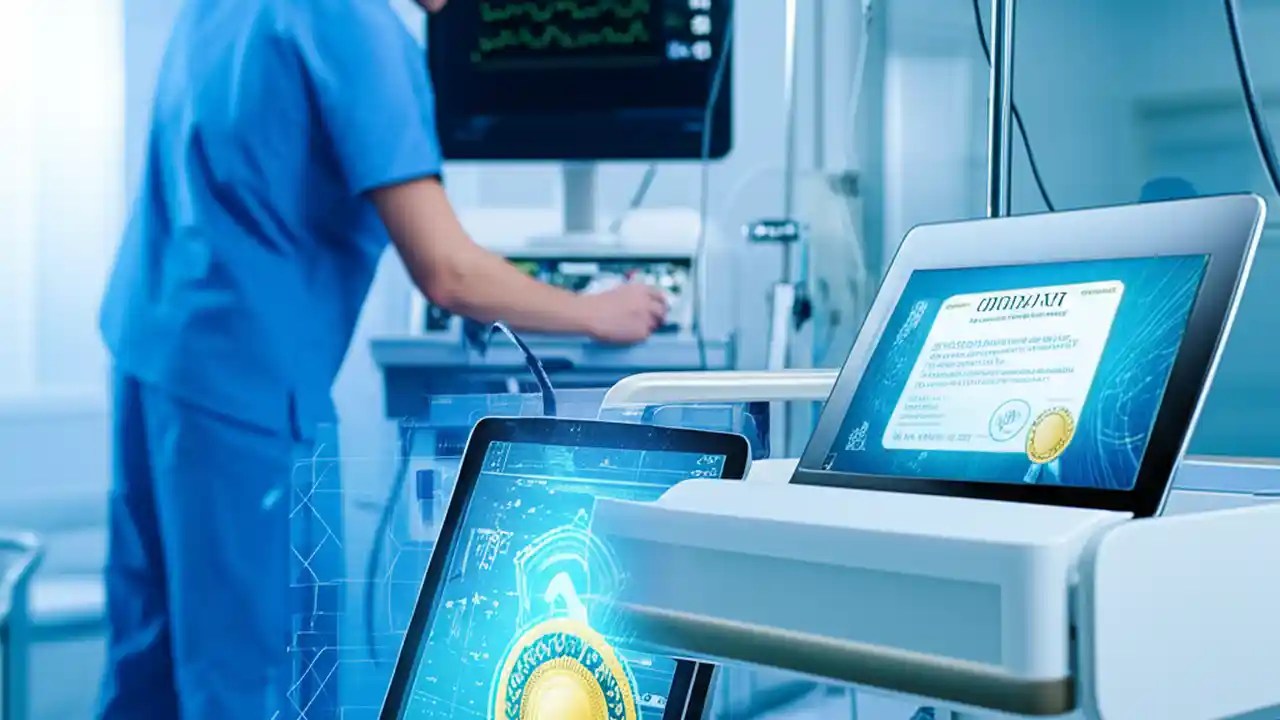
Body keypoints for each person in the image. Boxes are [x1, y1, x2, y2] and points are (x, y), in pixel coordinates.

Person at [95, 0, 667, 717]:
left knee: (150, 665)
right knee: (261, 683)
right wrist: (594, 312)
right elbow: (448, 272)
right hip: (243, 389)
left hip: (152, 350)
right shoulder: (358, 30)